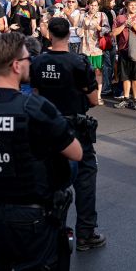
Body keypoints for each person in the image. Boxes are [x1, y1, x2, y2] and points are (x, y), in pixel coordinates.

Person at [0, 32, 83, 270]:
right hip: (29, 217)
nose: (32, 63)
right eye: (28, 58)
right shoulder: (36, 107)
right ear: (16, 66)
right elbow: (76, 154)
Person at [31, 18, 106, 252]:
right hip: (74, 128)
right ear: (69, 35)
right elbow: (94, 100)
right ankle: (85, 234)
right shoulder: (78, 62)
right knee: (85, 177)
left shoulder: (38, 62)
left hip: (46, 129)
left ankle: (45, 231)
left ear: (49, 34)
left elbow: (35, 96)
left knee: (46, 180)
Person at [112, 0, 136, 110]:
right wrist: (124, 25)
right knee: (125, 76)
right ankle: (126, 99)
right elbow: (114, 33)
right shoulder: (120, 18)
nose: (133, 7)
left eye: (135, 5)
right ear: (126, 6)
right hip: (123, 50)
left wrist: (133, 25)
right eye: (131, 5)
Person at [78, 0, 111, 105]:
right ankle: (86, 96)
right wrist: (81, 29)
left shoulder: (102, 15)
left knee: (98, 72)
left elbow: (107, 29)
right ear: (88, 5)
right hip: (85, 48)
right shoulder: (83, 15)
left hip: (97, 48)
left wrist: (99, 28)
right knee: (85, 73)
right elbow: (78, 30)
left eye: (95, 5)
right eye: (91, 5)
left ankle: (98, 96)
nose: (93, 7)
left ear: (98, 6)